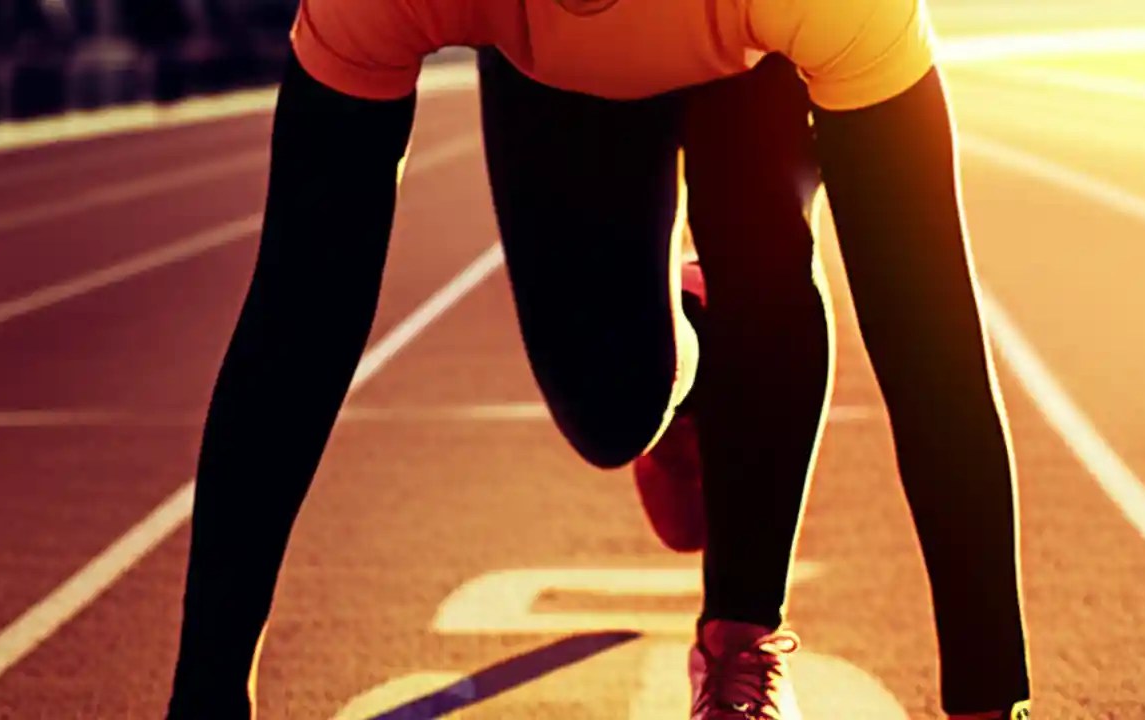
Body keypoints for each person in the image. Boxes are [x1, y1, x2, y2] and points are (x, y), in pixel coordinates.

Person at [166, 1, 1032, 718]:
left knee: (764, 247)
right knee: (611, 408)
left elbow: (929, 335)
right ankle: (689, 331)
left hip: (759, 53)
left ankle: (740, 637)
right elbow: (299, 319)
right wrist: (206, 694)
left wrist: (991, 699)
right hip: (553, 74)